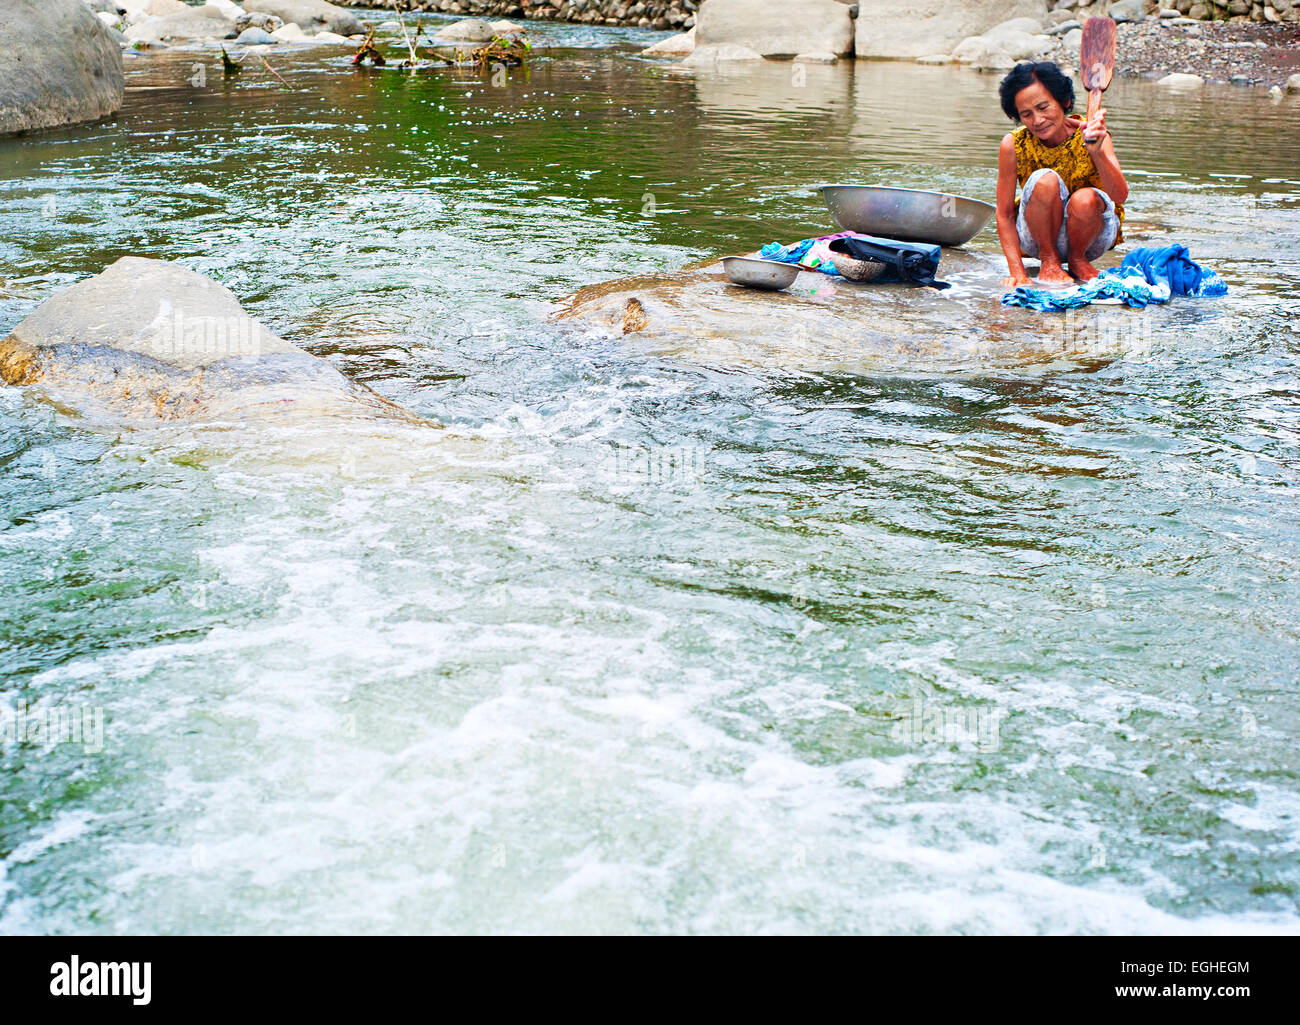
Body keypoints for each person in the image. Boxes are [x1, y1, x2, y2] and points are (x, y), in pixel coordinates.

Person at [995, 61, 1128, 288]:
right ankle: (1050, 261)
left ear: (1064, 101)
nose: (1037, 120)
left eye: (1044, 107)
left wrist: (1098, 154)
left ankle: (1078, 261)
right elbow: (1004, 214)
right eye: (1026, 114)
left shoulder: (1093, 135)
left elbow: (1119, 196)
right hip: (1036, 239)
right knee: (1044, 179)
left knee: (1086, 197)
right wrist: (1017, 272)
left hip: (1093, 237)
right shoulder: (1013, 144)